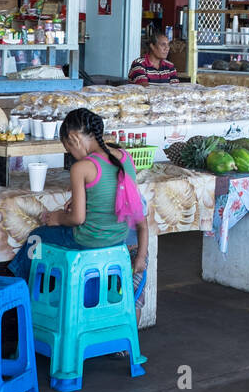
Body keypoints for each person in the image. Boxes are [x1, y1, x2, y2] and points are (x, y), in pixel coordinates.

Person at [9, 108, 149, 281]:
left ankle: (26, 288)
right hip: (117, 239)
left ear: (74, 138)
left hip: (89, 240)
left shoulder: (81, 168)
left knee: (37, 236)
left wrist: (58, 218)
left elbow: (77, 219)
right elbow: (115, 195)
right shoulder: (126, 157)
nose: (71, 155)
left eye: (69, 149)